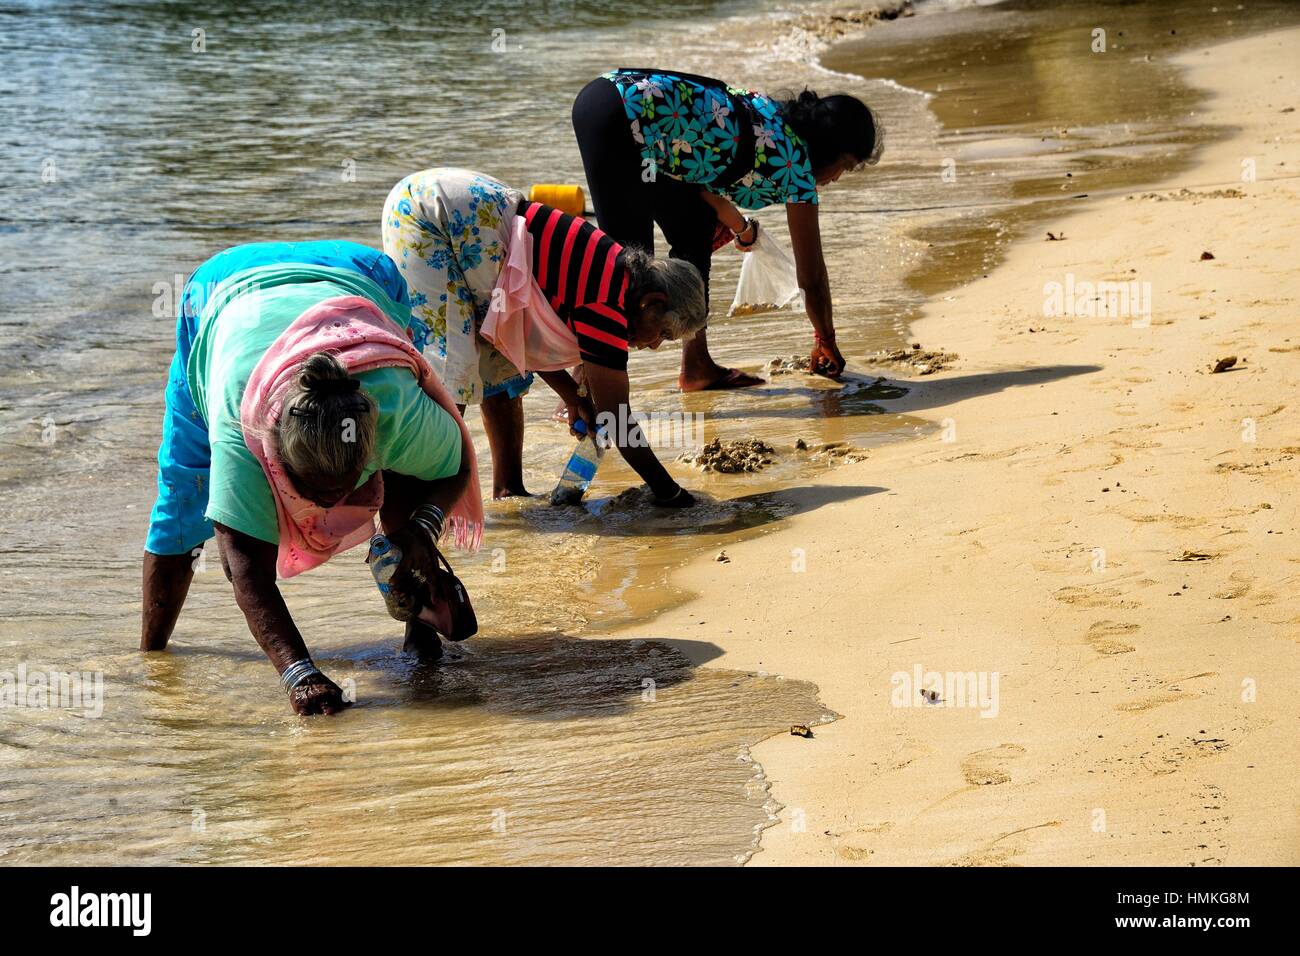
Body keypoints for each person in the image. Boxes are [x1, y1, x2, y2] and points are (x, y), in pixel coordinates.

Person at [141, 240, 481, 715]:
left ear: (369, 441)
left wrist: (422, 527)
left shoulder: (393, 409)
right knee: (184, 493)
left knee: (408, 475)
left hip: (363, 275)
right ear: (274, 453)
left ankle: (420, 635)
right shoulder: (241, 431)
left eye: (347, 484)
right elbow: (244, 568)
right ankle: (152, 662)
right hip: (218, 292)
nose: (326, 507)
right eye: (316, 492)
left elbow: (455, 464)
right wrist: (299, 674)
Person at [382, 167, 707, 506]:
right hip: (430, 215)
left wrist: (572, 395)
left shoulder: (620, 274)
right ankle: (414, 505)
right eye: (664, 334)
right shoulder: (607, 301)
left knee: (500, 361)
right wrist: (671, 493)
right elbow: (616, 418)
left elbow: (517, 340)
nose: (653, 345)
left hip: (469, 209)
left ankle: (509, 494)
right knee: (451, 371)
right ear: (652, 302)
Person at [571, 68, 883, 389]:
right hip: (621, 118)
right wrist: (826, 338)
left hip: (622, 106)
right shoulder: (797, 169)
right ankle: (583, 389)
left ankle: (696, 367)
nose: (836, 178)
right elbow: (812, 278)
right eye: (844, 165)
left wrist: (742, 229)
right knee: (625, 274)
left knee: (694, 229)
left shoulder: (771, 117)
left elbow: (704, 182)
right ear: (828, 146)